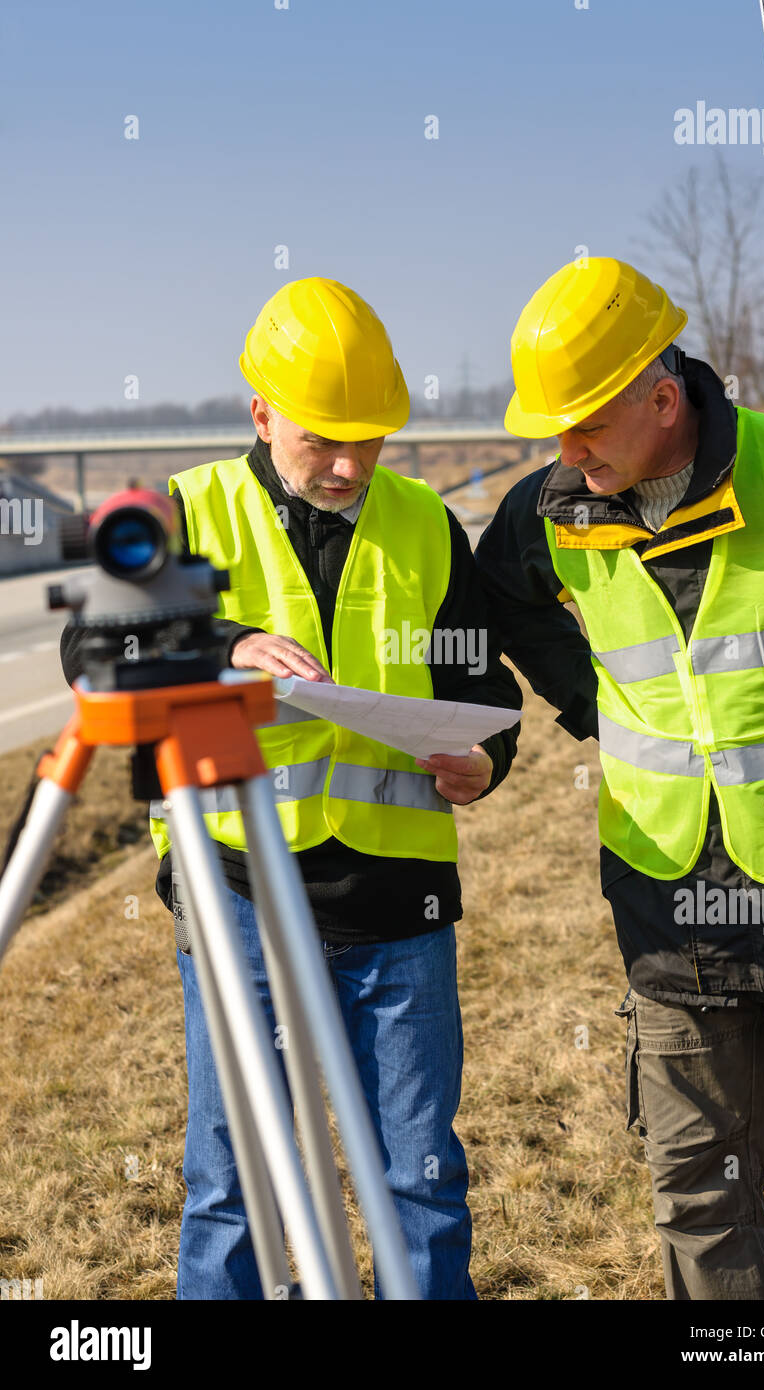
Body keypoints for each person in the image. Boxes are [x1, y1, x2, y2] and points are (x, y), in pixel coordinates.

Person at [61, 276, 521, 1300]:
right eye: (323, 439)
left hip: (397, 905)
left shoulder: (424, 524)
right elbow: (91, 647)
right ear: (260, 411)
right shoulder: (181, 512)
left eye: (371, 440)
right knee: (234, 1184)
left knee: (420, 1178)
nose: (350, 465)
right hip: (239, 899)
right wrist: (222, 643)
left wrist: (486, 760)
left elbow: (478, 685)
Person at [474, 255, 764, 1301]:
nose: (563, 450)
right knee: (695, 1186)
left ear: (661, 399)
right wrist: (586, 704)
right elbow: (495, 602)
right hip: (666, 905)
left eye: (583, 425)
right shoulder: (551, 507)